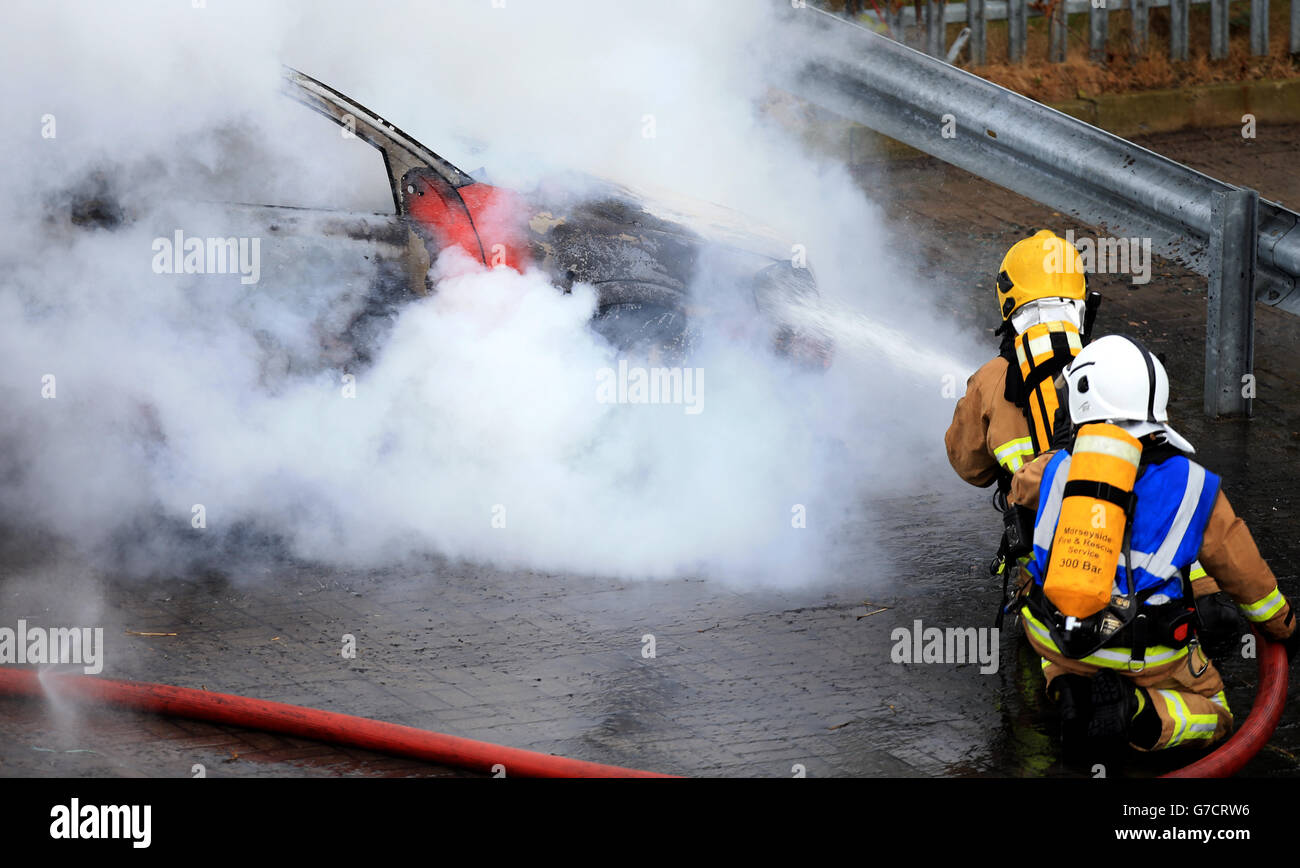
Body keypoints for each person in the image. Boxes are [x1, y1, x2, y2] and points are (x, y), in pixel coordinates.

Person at [1009, 334, 1295, 755]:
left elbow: (1019, 488)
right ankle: (1140, 712)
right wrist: (1282, 625)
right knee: (1216, 713)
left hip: (1054, 637)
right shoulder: (1194, 485)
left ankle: (1067, 686)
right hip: (1142, 653)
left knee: (1062, 639)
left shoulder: (1053, 467)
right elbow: (1245, 575)